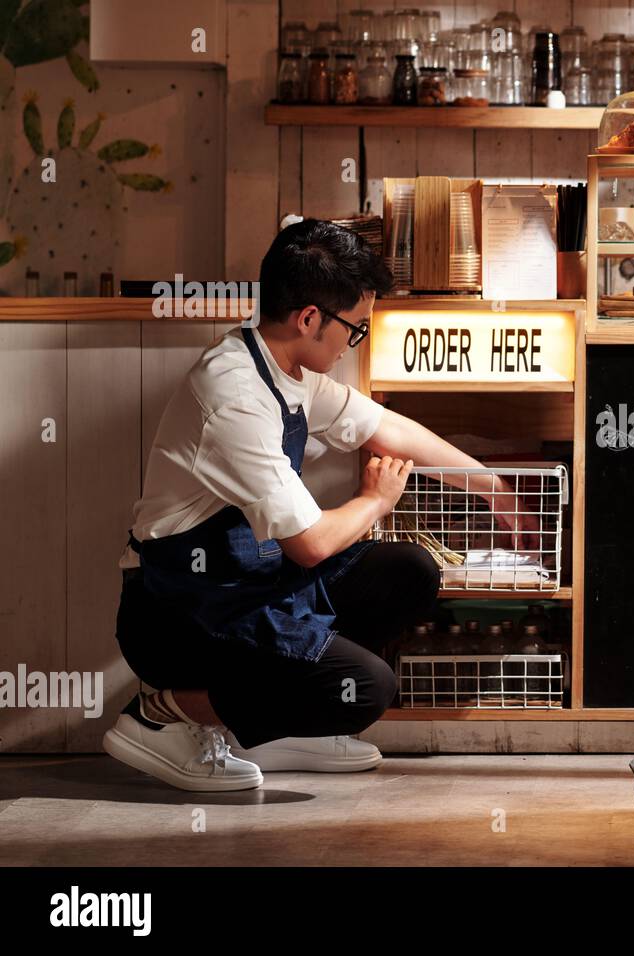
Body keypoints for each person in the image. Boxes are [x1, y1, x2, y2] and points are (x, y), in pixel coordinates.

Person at [103, 219, 535, 791]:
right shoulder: (234, 395)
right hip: (179, 613)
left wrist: (492, 488)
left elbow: (384, 427)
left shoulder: (286, 370)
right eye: (354, 329)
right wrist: (375, 501)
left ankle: (280, 727)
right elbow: (310, 545)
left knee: (410, 571)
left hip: (247, 583)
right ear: (310, 318)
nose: (354, 341)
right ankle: (163, 715)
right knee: (367, 688)